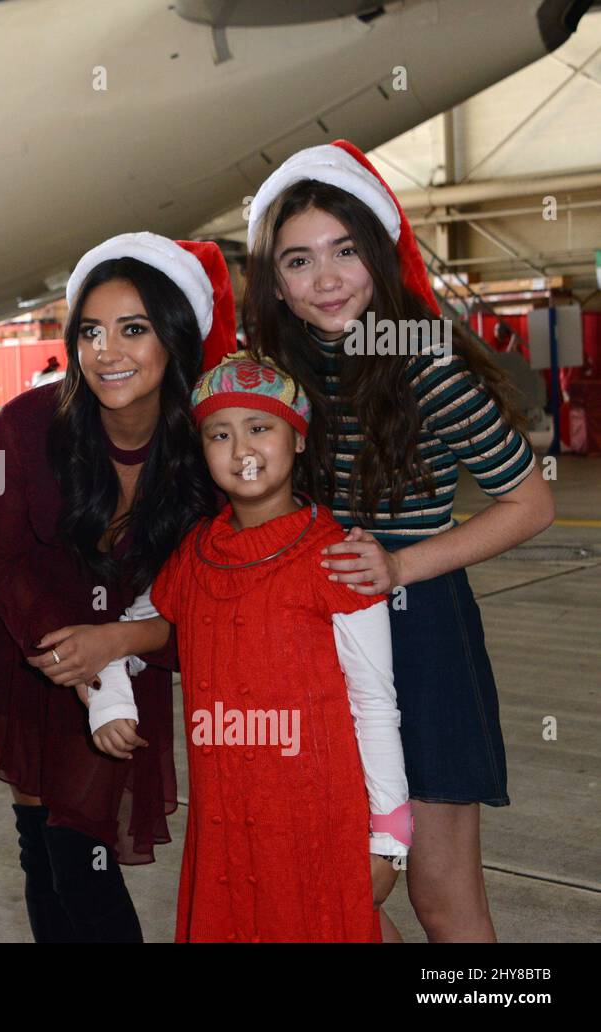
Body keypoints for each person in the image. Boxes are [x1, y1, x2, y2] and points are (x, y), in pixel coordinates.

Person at [241, 139, 555, 941]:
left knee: (441, 897)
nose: (328, 278)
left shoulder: (428, 367)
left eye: (345, 251)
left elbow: (530, 503)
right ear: (275, 282)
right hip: (325, 637)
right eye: (300, 261)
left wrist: (399, 564)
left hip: (422, 635)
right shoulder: (289, 368)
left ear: (378, 253)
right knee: (341, 887)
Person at [0, 233, 230, 941]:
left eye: (133, 329)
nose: (108, 351)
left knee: (80, 848)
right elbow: (2, 560)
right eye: (91, 331)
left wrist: (116, 646)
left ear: (175, 339)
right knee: (41, 836)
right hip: (21, 640)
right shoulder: (24, 425)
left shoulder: (204, 448)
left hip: (125, 648)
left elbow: (205, 595)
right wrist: (74, 662)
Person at [85, 351, 411, 942]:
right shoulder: (195, 556)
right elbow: (124, 630)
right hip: (226, 827)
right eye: (220, 434)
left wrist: (390, 837)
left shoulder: (338, 559)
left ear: (299, 438)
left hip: (318, 819)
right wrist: (109, 697)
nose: (242, 450)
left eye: (260, 428)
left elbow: (375, 704)